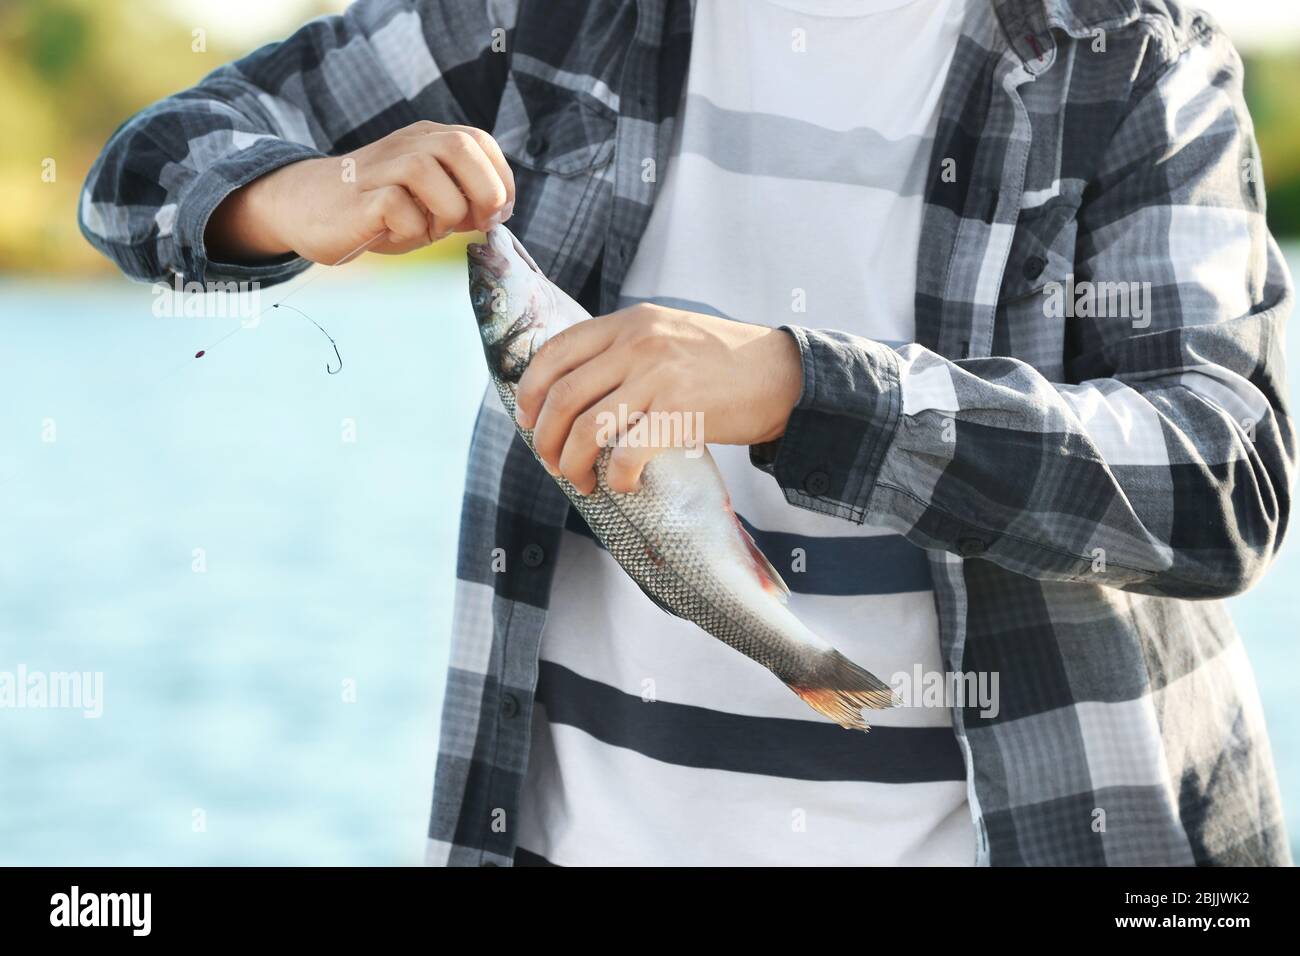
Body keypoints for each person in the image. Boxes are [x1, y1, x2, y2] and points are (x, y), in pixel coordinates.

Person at [81, 0, 1294, 866]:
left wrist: (800, 387)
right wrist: (286, 195)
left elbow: (1223, 480)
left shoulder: (1135, 57)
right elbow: (135, 177)